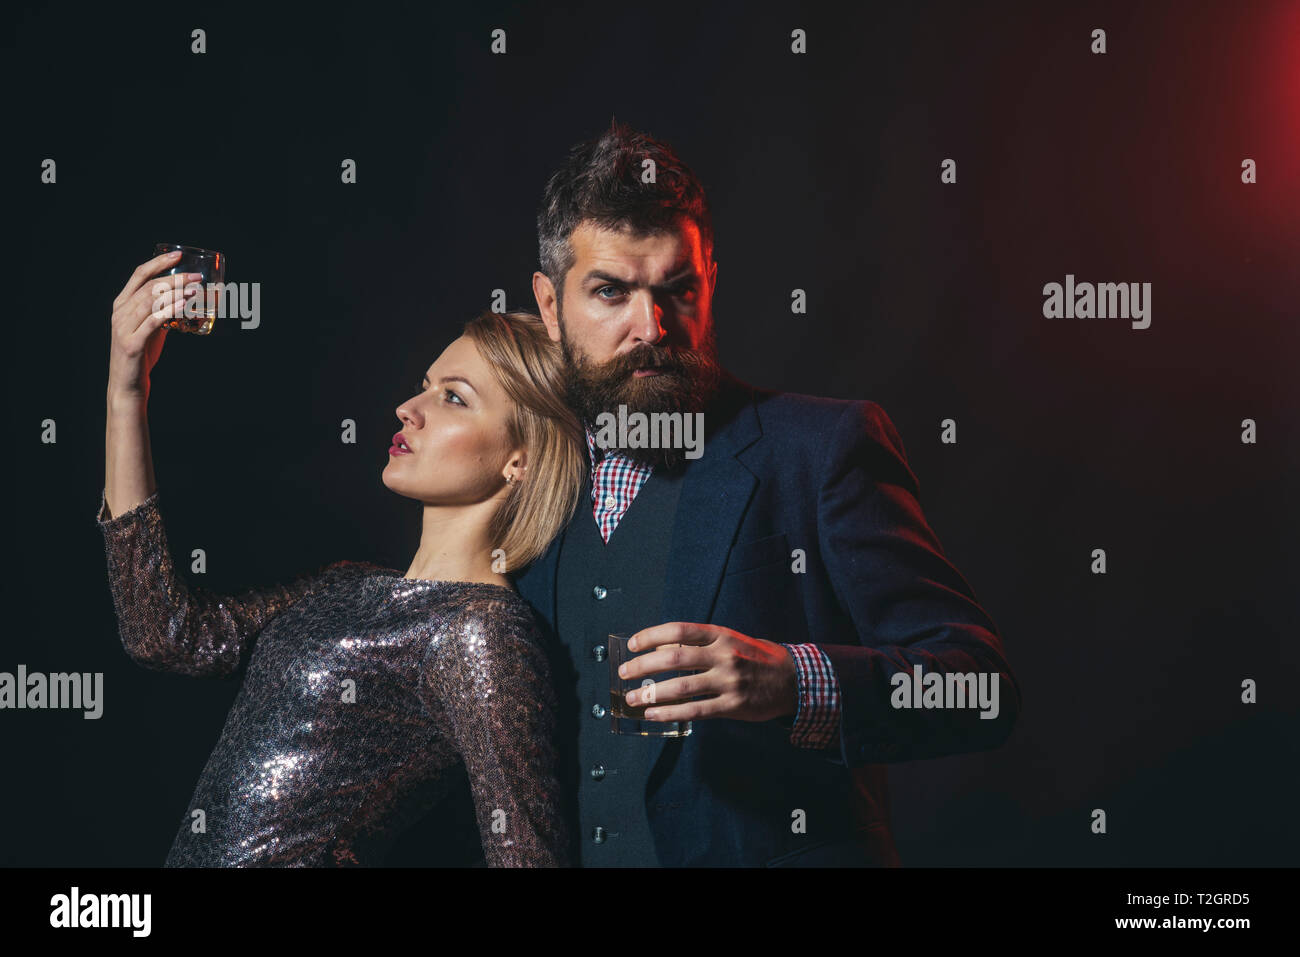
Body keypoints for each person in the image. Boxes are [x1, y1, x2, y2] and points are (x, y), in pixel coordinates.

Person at [512, 121, 1022, 866]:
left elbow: (984, 692)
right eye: (610, 292)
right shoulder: (523, 480)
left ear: (710, 282)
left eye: (676, 290)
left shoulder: (821, 450)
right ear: (550, 305)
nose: (649, 327)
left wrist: (796, 680)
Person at [97, 254, 583, 866]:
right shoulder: (343, 586)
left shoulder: (479, 632)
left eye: (454, 399)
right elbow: (164, 635)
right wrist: (126, 392)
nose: (410, 408)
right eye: (425, 385)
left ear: (521, 460)